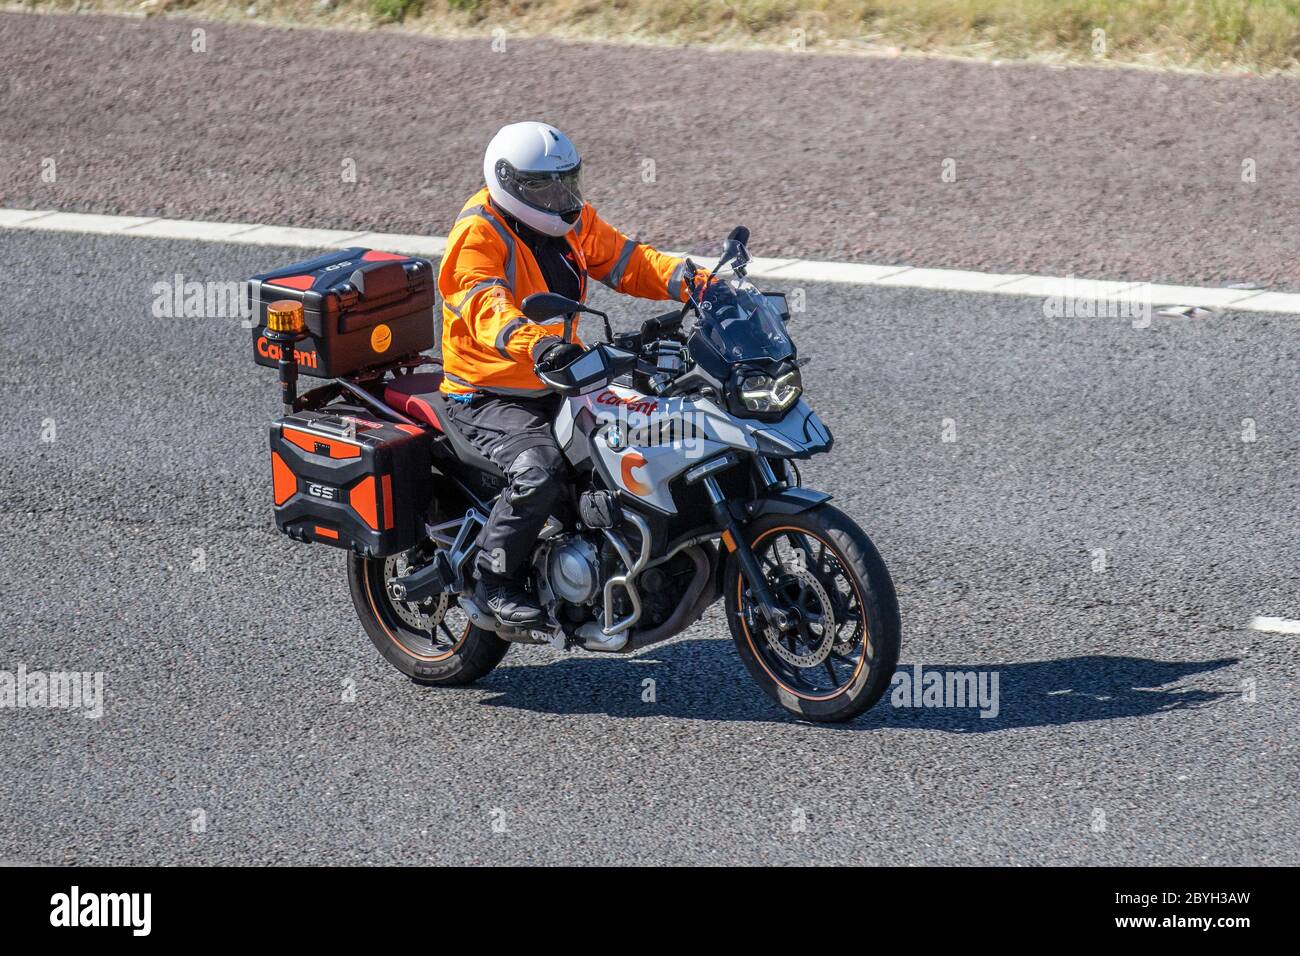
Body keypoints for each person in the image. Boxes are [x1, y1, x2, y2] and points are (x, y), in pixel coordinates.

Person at [438, 121, 702, 627]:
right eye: (543, 186)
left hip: (563, 376)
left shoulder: (570, 222)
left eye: (567, 181)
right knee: (538, 471)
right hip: (488, 392)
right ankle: (492, 581)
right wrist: (537, 343)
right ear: (508, 183)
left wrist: (696, 282)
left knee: (649, 436)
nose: (560, 196)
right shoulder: (476, 235)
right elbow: (484, 303)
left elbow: (628, 261)